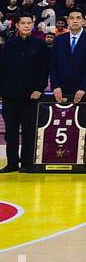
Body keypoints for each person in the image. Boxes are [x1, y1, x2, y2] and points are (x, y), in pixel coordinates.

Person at [0, 14, 49, 172]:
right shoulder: (9, 44)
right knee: (11, 131)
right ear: (17, 25)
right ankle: (12, 162)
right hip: (10, 96)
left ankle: (27, 163)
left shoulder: (40, 45)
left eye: (29, 23)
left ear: (33, 25)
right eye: (23, 23)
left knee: (29, 130)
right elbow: (2, 70)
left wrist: (39, 89)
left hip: (31, 95)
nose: (26, 25)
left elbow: (44, 70)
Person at [49, 10, 86, 103]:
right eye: (71, 18)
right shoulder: (59, 39)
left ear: (83, 21)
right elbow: (53, 65)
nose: (75, 21)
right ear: (67, 21)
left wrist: (83, 88)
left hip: (81, 91)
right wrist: (55, 86)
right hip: (60, 90)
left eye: (78, 18)